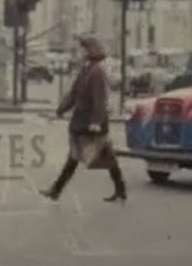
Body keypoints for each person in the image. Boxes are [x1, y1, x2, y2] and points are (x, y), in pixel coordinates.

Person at [41, 36, 128, 203]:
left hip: (90, 124)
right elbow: (73, 94)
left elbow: (99, 99)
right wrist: (61, 109)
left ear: (91, 51)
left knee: (100, 157)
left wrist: (96, 122)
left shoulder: (96, 72)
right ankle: (120, 189)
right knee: (81, 157)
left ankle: (56, 190)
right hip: (82, 122)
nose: (81, 52)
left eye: (84, 48)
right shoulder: (85, 69)